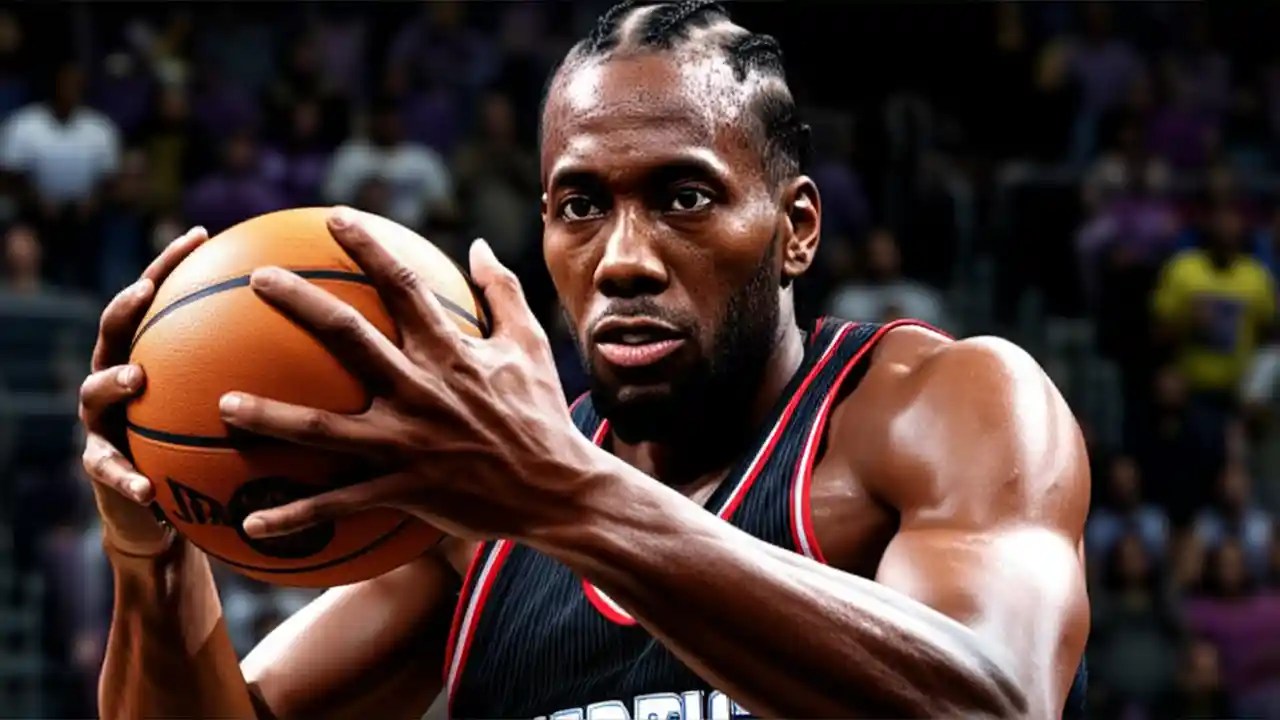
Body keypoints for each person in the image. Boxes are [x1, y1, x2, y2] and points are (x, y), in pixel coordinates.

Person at [77, 2, 1090, 718]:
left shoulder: (946, 407)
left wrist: (565, 498)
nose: (622, 259)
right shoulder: (479, 516)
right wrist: (151, 554)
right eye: (580, 205)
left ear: (795, 230)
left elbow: (995, 702)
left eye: (683, 198)